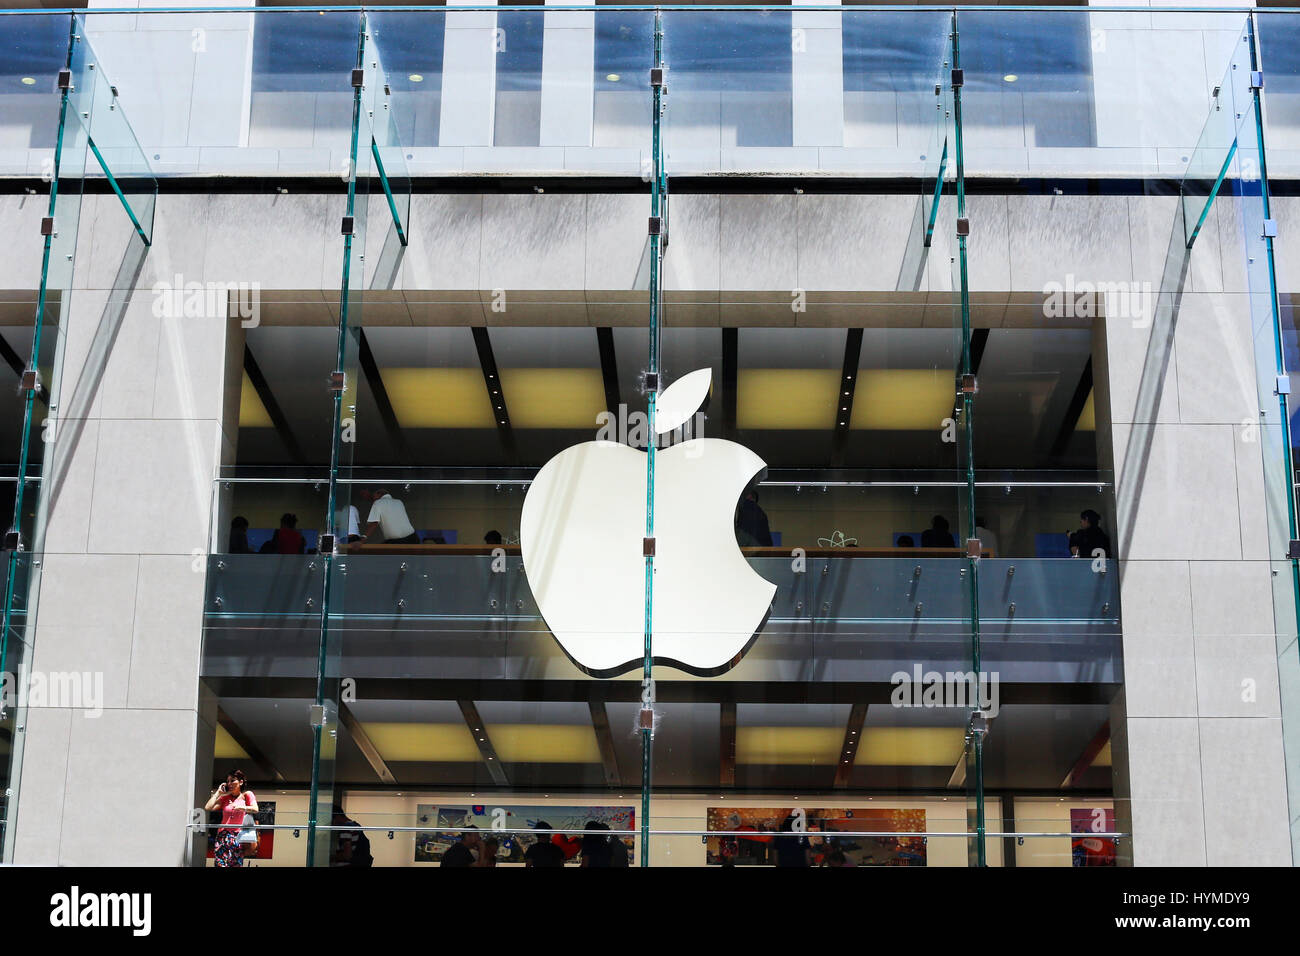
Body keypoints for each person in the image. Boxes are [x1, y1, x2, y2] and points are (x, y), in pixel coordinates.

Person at [204, 769, 258, 868]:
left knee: (235, 864)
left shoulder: (247, 795)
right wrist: (218, 793)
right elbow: (208, 807)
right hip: (222, 836)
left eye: (232, 780)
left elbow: (255, 809)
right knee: (220, 864)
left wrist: (243, 808)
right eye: (228, 781)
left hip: (238, 837)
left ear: (241, 782)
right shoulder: (225, 798)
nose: (229, 783)